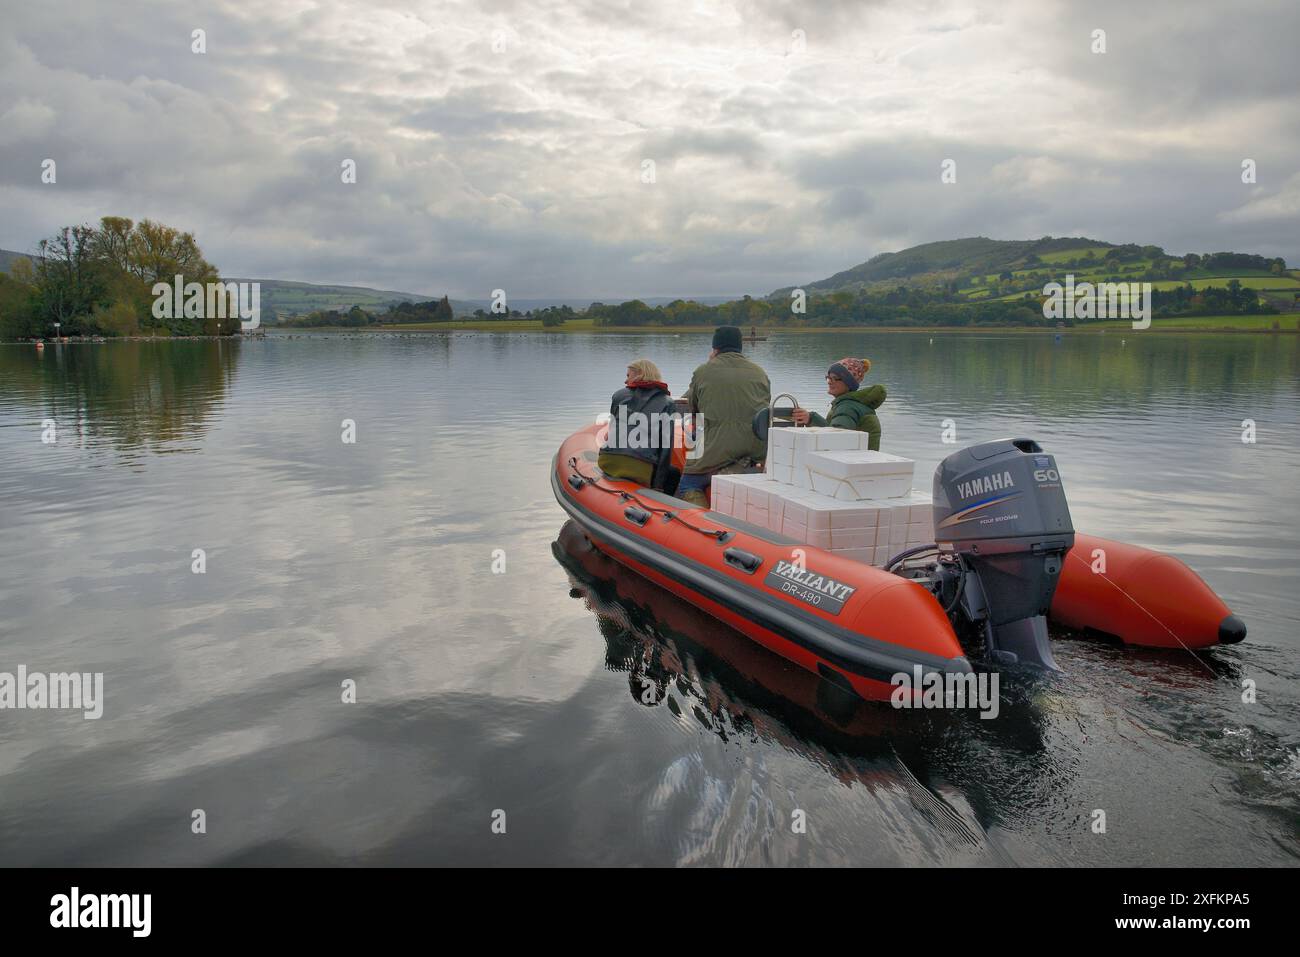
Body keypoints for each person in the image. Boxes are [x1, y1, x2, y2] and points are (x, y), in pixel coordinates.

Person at [676, 325, 770, 507]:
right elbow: (764, 411)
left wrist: (710, 363)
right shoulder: (760, 372)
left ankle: (702, 524)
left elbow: (692, 406)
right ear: (740, 346)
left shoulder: (704, 371)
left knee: (688, 483)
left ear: (715, 348)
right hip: (756, 451)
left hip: (718, 451)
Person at [598, 359, 677, 491]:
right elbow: (665, 449)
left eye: (628, 376)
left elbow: (610, 432)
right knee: (674, 474)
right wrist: (658, 486)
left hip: (607, 460)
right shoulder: (667, 403)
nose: (625, 381)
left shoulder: (618, 395)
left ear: (640, 374)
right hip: (638, 468)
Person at [792, 357, 886, 450]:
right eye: (828, 378)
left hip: (854, 461)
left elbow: (836, 437)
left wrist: (811, 418)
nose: (829, 382)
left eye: (835, 378)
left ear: (849, 383)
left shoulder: (848, 407)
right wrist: (809, 418)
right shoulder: (853, 404)